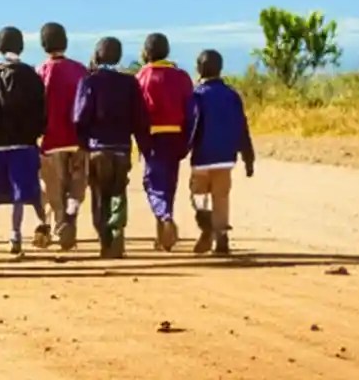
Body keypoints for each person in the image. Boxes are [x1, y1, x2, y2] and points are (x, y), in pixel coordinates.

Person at [73, 37, 150, 259]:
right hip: (122, 148)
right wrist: (143, 146)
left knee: (99, 194)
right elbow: (139, 118)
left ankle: (105, 239)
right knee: (118, 191)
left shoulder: (89, 82)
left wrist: (82, 144)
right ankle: (117, 230)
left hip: (97, 148)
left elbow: (80, 117)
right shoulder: (129, 83)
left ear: (97, 55)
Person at [0, 27, 47, 256]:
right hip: (23, 143)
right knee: (19, 192)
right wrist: (35, 134)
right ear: (22, 47)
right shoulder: (32, 75)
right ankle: (15, 235)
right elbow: (41, 110)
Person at [186, 49, 256, 256]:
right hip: (226, 157)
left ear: (199, 68)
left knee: (198, 195)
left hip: (202, 156)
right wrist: (248, 156)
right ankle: (222, 235)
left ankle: (206, 225)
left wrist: (183, 148)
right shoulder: (232, 95)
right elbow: (242, 127)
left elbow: (192, 124)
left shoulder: (196, 95)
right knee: (221, 196)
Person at [135, 33, 195, 252]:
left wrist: (141, 141)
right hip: (176, 135)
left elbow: (138, 113)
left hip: (153, 136)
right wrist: (187, 141)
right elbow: (191, 112)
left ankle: (164, 216)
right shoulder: (181, 76)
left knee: (152, 184)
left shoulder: (142, 76)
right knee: (169, 184)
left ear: (146, 52)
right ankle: (162, 235)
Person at [35, 22, 89, 251]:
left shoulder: (40, 72)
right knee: (76, 186)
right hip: (77, 139)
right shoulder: (80, 69)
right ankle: (70, 217)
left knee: (53, 189)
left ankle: (60, 224)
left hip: (51, 140)